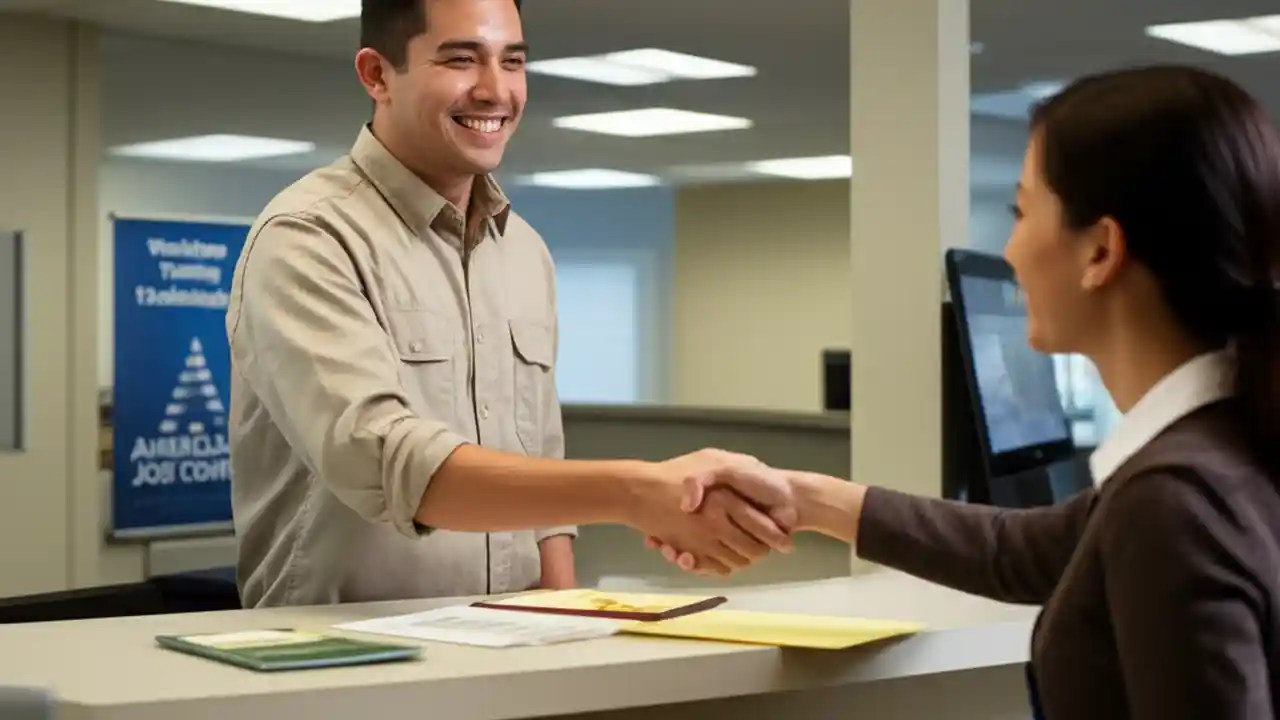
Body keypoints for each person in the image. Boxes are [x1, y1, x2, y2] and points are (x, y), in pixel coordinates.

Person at [654, 65, 1280, 720]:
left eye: (1022, 211)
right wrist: (804, 499)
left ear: (1100, 251)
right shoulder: (1227, 453)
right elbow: (1018, 552)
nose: (1009, 250)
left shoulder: (1176, 502)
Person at [225, 0, 794, 608]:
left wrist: (566, 627)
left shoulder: (523, 250)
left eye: (513, 61)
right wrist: (636, 491)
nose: (496, 90)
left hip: (511, 642)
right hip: (345, 661)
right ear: (376, 74)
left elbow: (540, 464)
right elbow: (384, 458)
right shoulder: (308, 238)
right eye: (461, 59)